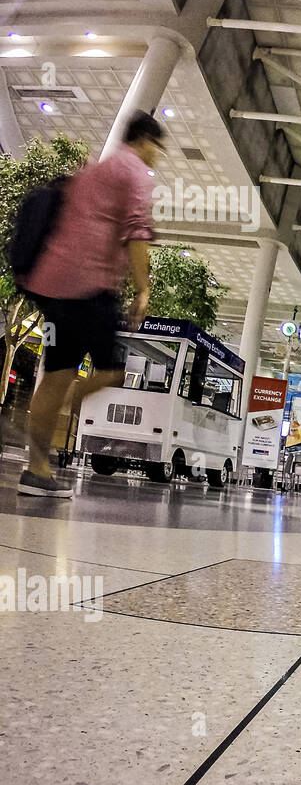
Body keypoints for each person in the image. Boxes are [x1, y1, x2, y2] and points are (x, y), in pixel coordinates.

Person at [17, 110, 162, 497]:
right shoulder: (133, 171)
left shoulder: (94, 171)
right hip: (90, 287)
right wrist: (143, 289)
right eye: (156, 149)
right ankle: (60, 407)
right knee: (113, 371)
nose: (156, 158)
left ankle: (37, 470)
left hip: (51, 283)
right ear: (145, 141)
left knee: (59, 370)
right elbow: (136, 231)